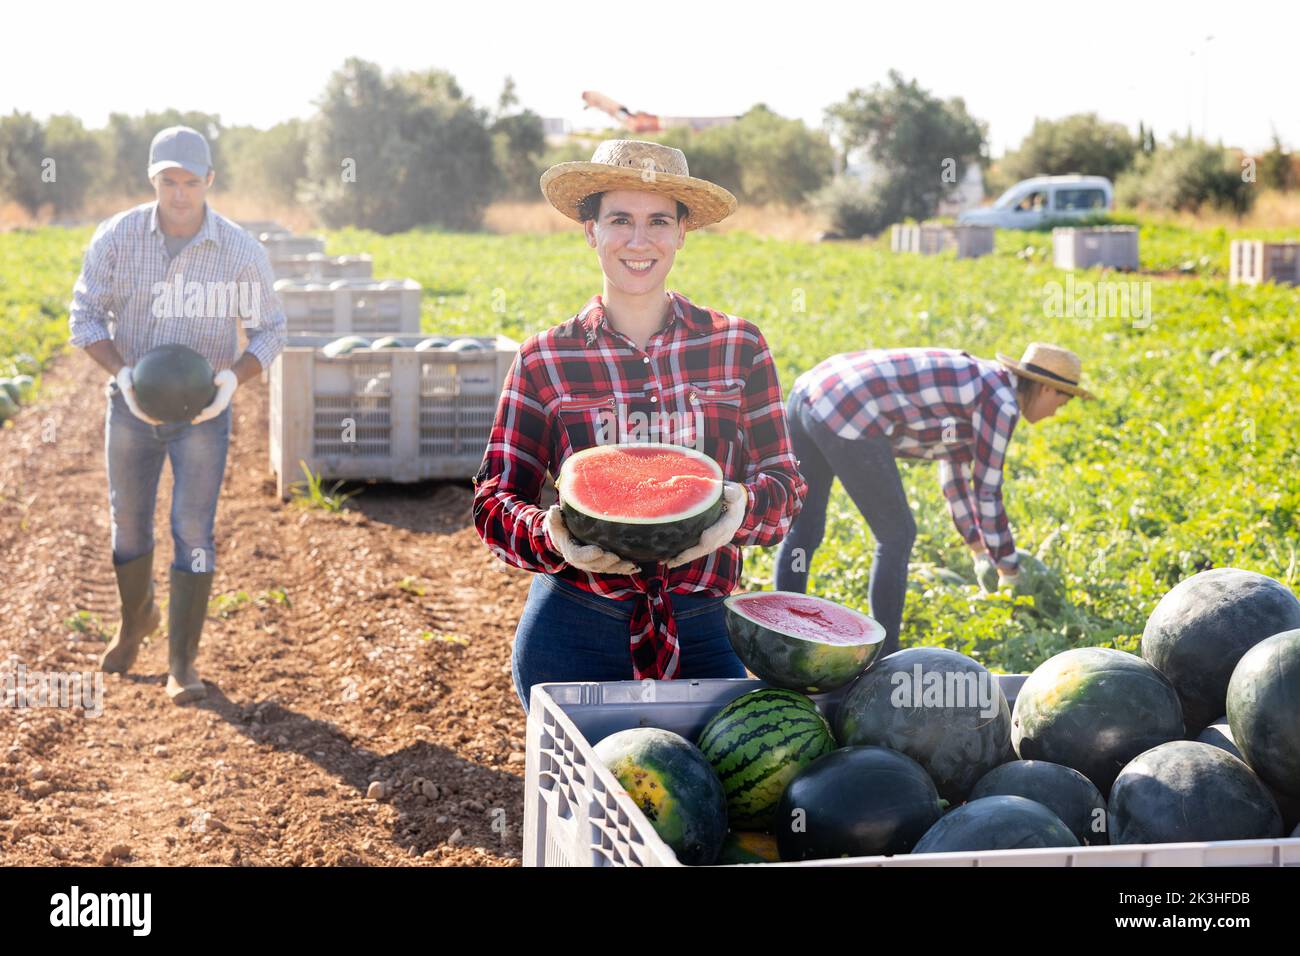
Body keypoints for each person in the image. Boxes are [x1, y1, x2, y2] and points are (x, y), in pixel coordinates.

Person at [473, 139, 807, 713]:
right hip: (575, 623)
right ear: (590, 231)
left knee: (704, 796)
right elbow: (493, 501)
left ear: (682, 232)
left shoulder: (737, 346)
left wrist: (738, 510)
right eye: (619, 220)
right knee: (584, 797)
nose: (638, 240)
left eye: (657, 221)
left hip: (705, 623)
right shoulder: (544, 359)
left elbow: (785, 485)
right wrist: (551, 537)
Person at [69, 125, 287, 703]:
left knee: (192, 529)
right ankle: (134, 620)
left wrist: (230, 382)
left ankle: (181, 663)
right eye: (169, 181)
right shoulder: (116, 238)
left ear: (210, 180)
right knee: (129, 523)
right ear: (153, 180)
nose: (181, 193)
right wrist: (121, 375)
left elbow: (272, 328)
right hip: (131, 409)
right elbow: (84, 316)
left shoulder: (240, 249)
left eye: (192, 181)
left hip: (202, 415)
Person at [774, 344, 1093, 656]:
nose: (1055, 414)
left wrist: (980, 550)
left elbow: (955, 479)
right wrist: (1010, 570)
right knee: (897, 535)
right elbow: (987, 491)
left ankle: (780, 635)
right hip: (848, 407)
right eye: (1061, 404)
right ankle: (886, 656)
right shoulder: (1002, 403)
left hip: (810, 392)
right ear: (1046, 389)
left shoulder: (984, 385)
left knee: (805, 530)